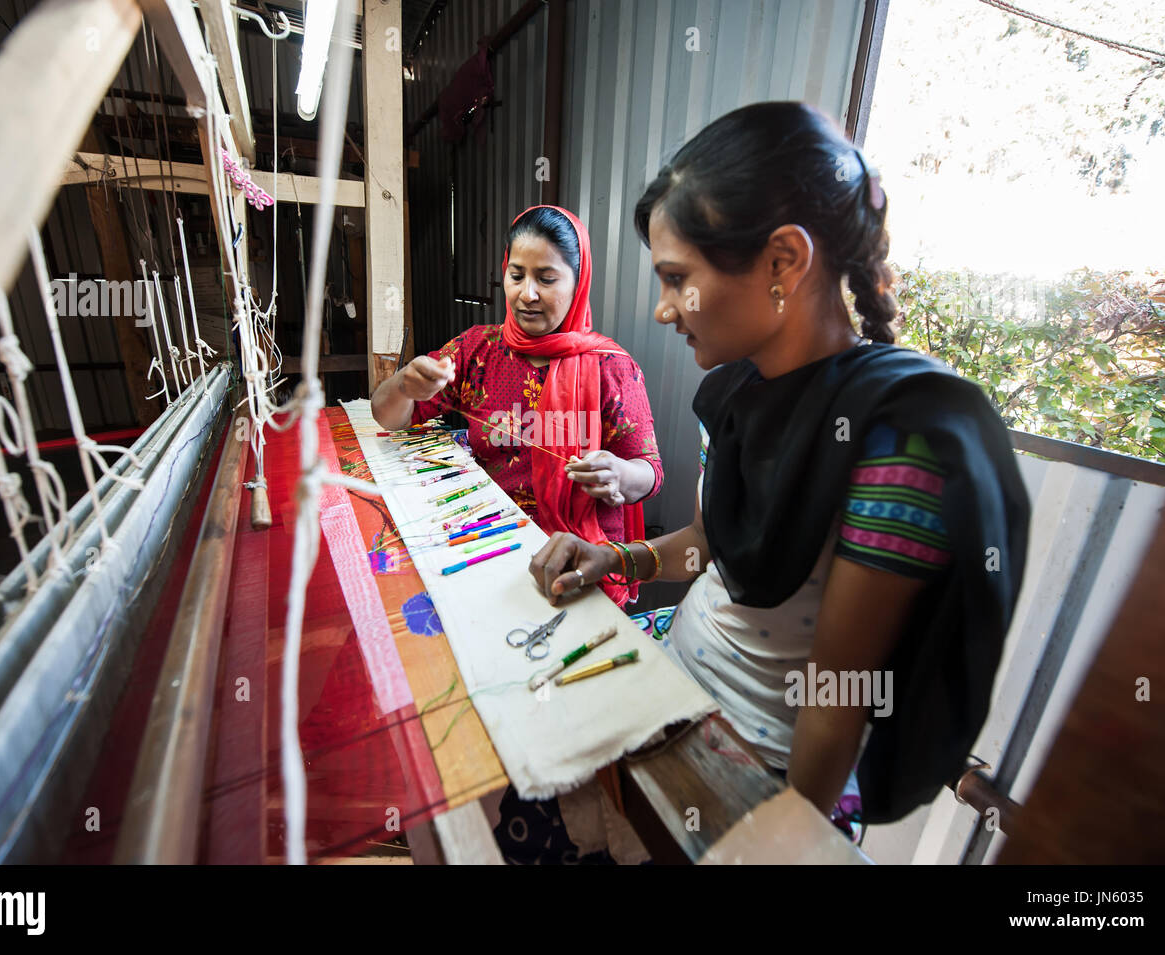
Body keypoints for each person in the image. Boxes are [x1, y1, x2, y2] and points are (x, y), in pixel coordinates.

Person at [528, 103, 1030, 827]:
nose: (665, 309)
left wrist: (786, 836)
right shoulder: (735, 393)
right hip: (672, 684)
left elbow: (837, 697)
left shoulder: (900, 442)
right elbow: (708, 547)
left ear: (783, 262)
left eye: (677, 278)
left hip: (755, 766)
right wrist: (615, 557)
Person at [372, 205, 663, 607]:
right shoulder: (478, 350)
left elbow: (650, 473)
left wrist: (620, 474)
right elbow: (388, 418)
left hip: (578, 558)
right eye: (516, 275)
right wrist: (405, 385)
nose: (527, 294)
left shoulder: (610, 367)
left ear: (578, 283)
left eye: (546, 279)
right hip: (487, 543)